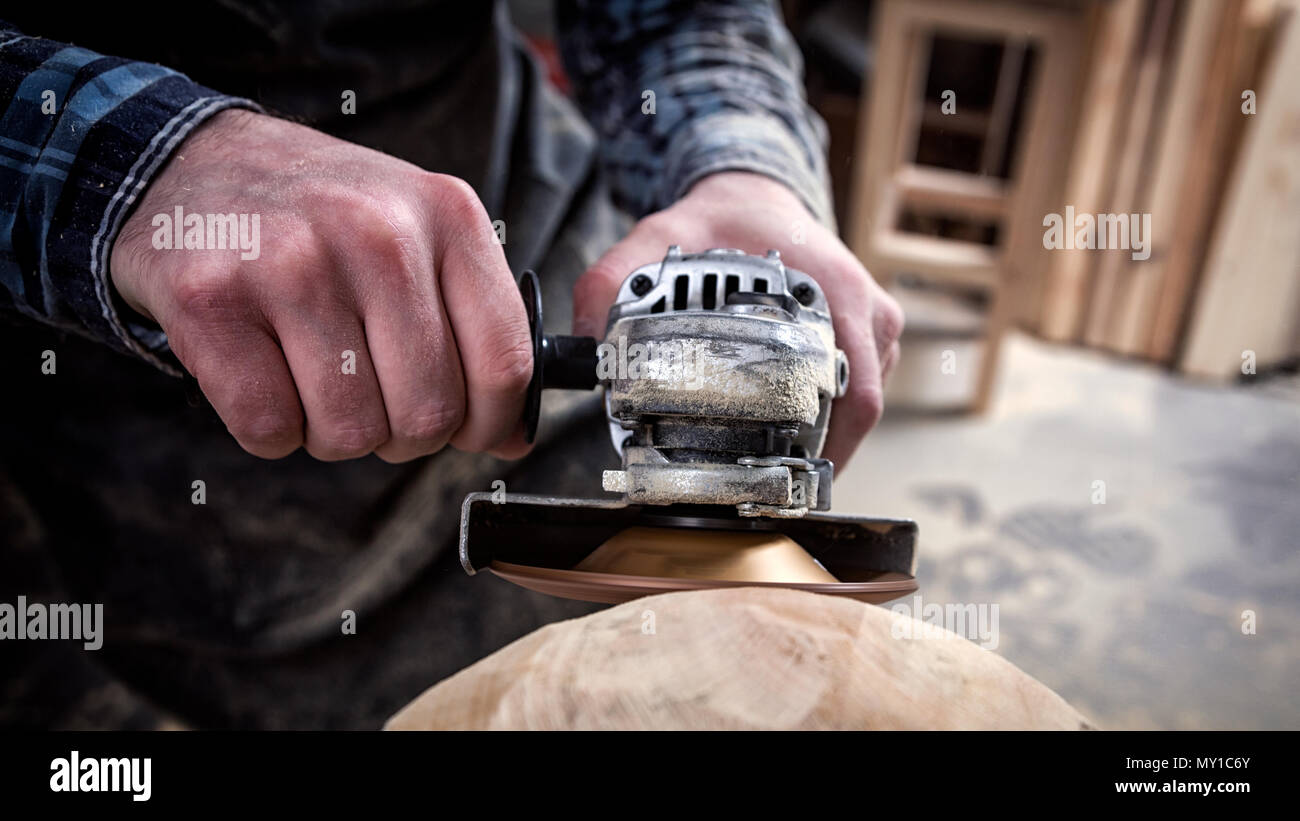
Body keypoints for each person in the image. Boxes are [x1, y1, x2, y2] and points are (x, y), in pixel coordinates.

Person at [0, 0, 903, 728]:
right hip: (130, 431)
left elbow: (675, 13)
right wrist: (126, 167)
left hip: (532, 241)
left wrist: (743, 167)